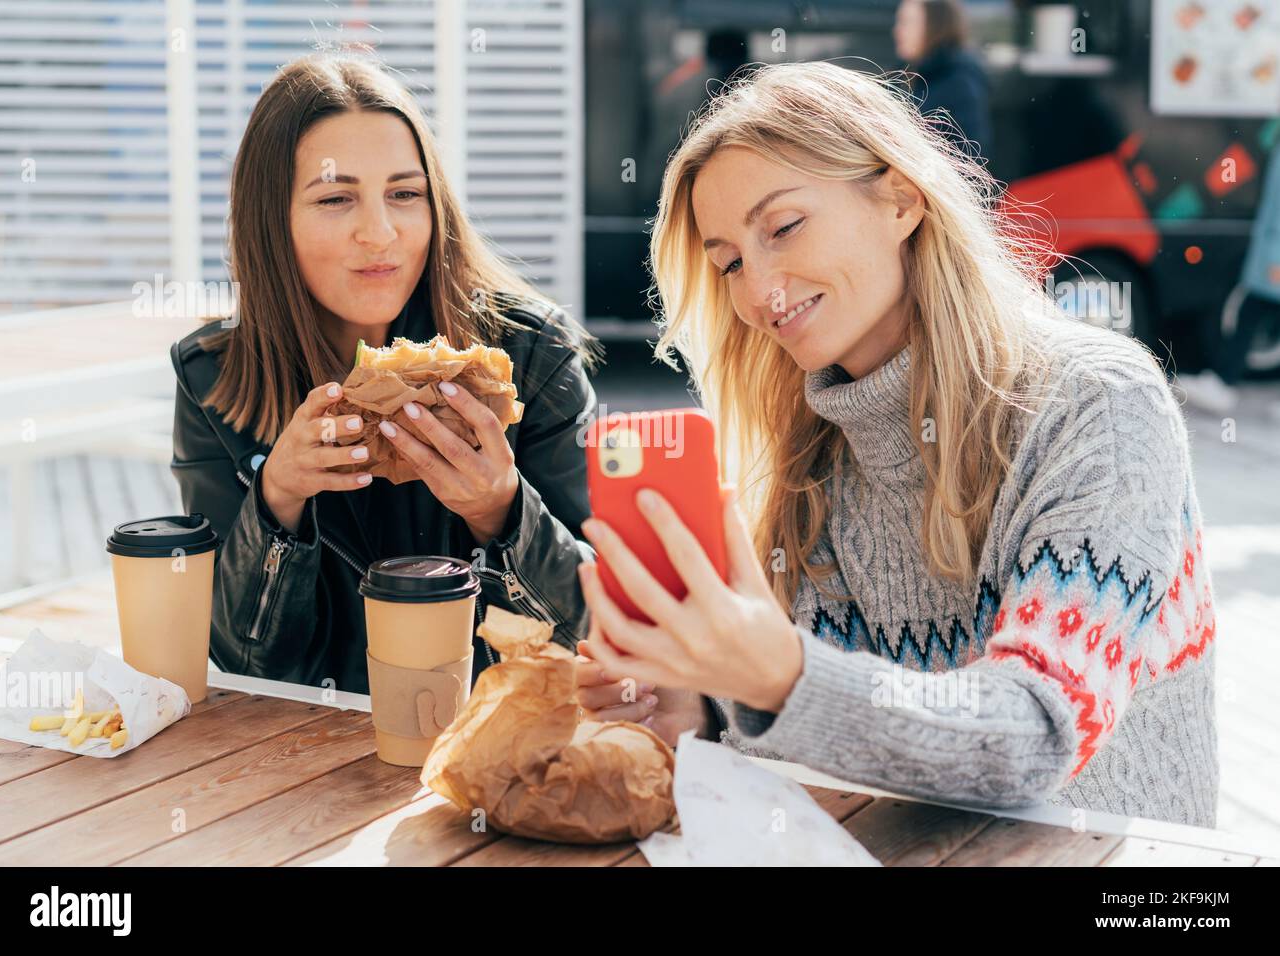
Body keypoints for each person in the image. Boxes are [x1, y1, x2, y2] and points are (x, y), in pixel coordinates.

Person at [574, 62, 1218, 827]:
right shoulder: (807, 454)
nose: (758, 289)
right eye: (730, 263)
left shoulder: (1099, 406)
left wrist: (778, 674)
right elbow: (842, 735)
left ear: (902, 198)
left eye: (783, 227)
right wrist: (706, 714)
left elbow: (1034, 734)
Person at [170, 53, 601, 693]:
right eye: (336, 198)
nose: (381, 233)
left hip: (495, 756)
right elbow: (247, 669)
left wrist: (502, 513)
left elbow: (599, 629)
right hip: (302, 763)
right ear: (272, 222)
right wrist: (277, 503)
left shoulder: (530, 358)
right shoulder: (215, 379)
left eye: (405, 194)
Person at [1177, 142, 1280, 418]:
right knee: (1251, 311)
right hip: (1271, 250)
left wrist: (1275, 260)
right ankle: (1223, 382)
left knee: (1250, 311)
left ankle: (1223, 382)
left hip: (1275, 255)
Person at [894, 0, 992, 162]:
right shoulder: (908, 74)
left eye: (907, 22)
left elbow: (972, 157)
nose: (897, 31)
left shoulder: (960, 81)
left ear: (934, 26)